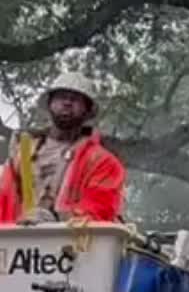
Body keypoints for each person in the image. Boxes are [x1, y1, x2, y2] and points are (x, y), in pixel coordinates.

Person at [0, 73, 126, 225]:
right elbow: (3, 202)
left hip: (75, 244)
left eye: (75, 99)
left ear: (87, 110)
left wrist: (57, 218)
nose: (67, 102)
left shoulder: (103, 162)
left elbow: (101, 209)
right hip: (19, 242)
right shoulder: (22, 155)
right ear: (50, 104)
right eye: (61, 97)